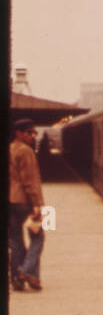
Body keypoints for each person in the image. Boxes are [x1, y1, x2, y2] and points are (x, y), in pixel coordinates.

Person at [9, 118, 45, 291]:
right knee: (38, 237)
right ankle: (28, 271)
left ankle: (17, 279)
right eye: (29, 132)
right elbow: (29, 180)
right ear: (18, 133)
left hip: (10, 202)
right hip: (25, 201)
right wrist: (37, 204)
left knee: (15, 240)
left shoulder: (9, 148)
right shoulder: (26, 151)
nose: (32, 136)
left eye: (34, 133)